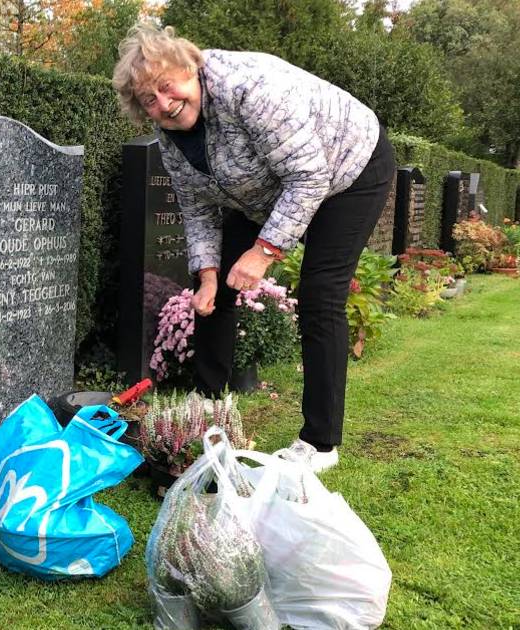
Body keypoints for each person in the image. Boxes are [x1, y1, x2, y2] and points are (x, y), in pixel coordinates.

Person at [112, 23, 396, 473]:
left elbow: (309, 178)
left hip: (348, 168)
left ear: (188, 68)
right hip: (266, 190)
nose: (164, 104)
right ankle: (206, 408)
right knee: (212, 291)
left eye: (167, 87)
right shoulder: (170, 139)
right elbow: (197, 209)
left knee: (321, 294)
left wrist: (263, 252)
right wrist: (207, 276)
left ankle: (319, 443)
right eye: (149, 100)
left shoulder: (248, 88)